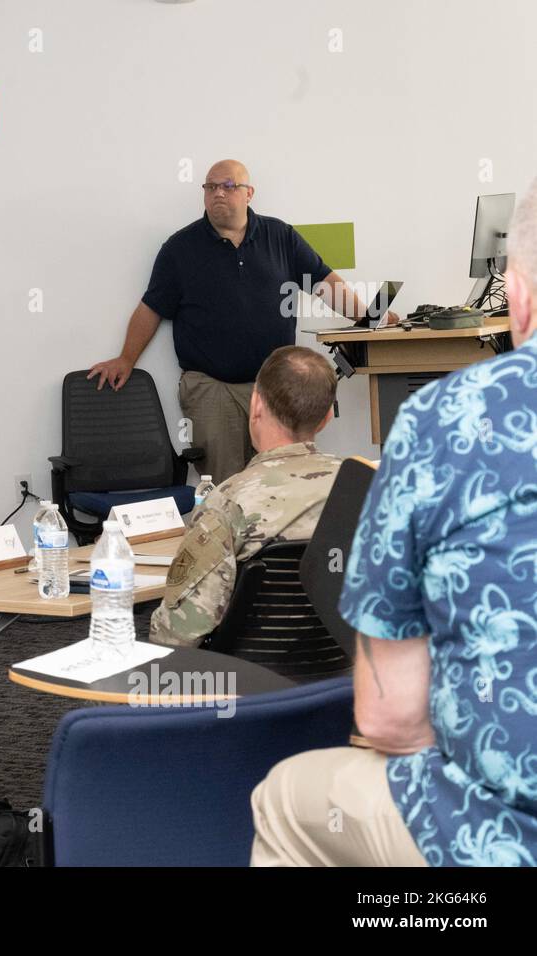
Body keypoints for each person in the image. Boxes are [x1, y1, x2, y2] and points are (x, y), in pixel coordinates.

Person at [251, 180, 537, 867]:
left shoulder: (444, 420)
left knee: (284, 799)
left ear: (520, 297)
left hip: (502, 836)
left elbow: (389, 720)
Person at [88, 159, 395, 483]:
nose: (218, 193)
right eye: (210, 187)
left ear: (249, 193)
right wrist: (126, 358)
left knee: (282, 480)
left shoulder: (281, 237)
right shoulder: (180, 248)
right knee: (225, 485)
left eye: (228, 186)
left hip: (276, 386)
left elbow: (325, 284)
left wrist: (372, 317)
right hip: (212, 389)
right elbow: (151, 308)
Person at [148, 346, 341, 648]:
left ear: (256, 405)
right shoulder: (371, 488)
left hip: (249, 686)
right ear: (328, 417)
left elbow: (178, 634)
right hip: (349, 681)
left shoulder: (226, 503)